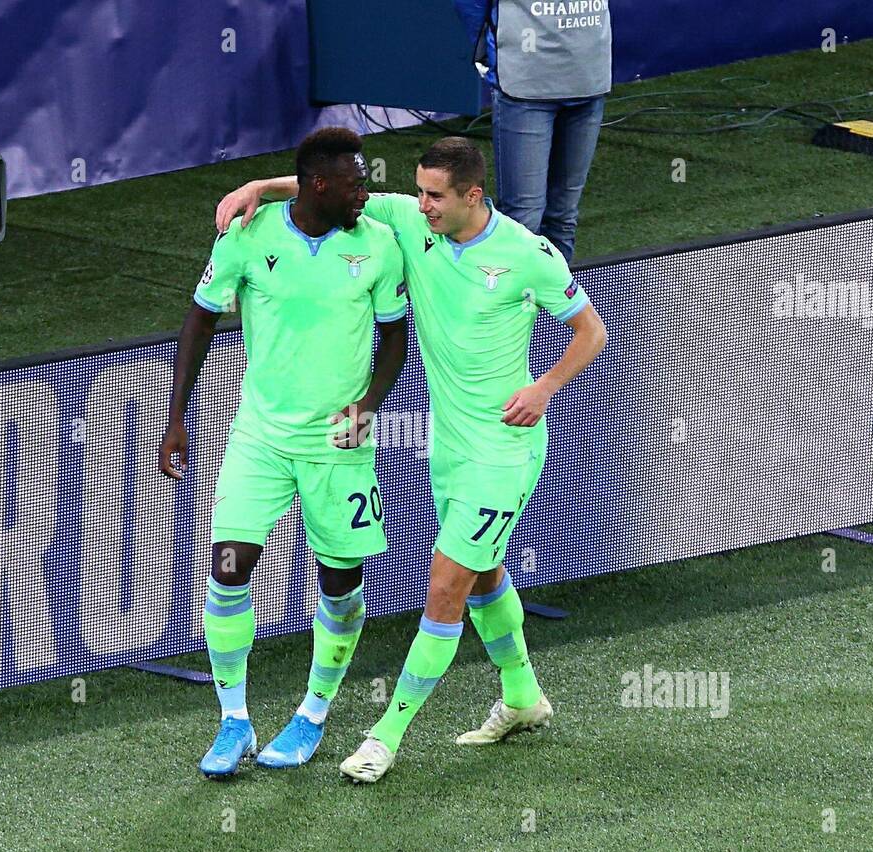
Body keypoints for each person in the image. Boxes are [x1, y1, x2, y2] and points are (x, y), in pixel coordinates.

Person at [217, 136, 606, 783]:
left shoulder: (525, 255)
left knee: (446, 584)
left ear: (471, 196)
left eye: (433, 195)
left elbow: (590, 330)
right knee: (483, 575)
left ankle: (384, 736)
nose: (420, 204)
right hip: (449, 448)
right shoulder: (410, 222)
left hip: (503, 451)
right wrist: (260, 188)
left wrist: (545, 388)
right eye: (419, 191)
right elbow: (338, 190)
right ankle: (522, 698)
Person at [161, 127, 409, 778]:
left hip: (338, 445)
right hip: (261, 436)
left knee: (340, 585)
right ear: (321, 186)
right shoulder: (249, 235)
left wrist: (370, 405)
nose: (366, 192)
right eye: (356, 182)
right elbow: (199, 318)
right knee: (228, 567)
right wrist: (176, 417)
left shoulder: (379, 246)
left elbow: (394, 342)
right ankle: (233, 721)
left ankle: (313, 713)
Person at [454, 0, 612, 263]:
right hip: (525, 87)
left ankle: (558, 301)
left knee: (563, 216)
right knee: (523, 220)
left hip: (589, 81)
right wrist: (489, 52)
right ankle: (515, 303)